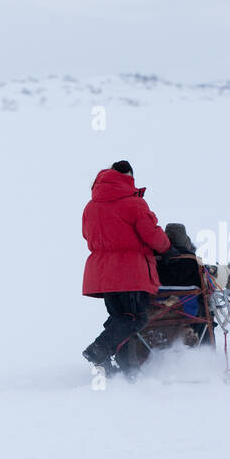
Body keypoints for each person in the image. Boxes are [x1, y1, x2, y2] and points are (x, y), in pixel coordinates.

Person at [81, 161, 170, 375]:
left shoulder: (90, 206)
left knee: (119, 317)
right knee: (134, 318)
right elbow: (152, 235)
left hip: (103, 273)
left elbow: (87, 235)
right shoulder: (134, 204)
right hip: (129, 272)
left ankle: (123, 366)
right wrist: (167, 247)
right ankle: (98, 350)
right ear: (128, 177)